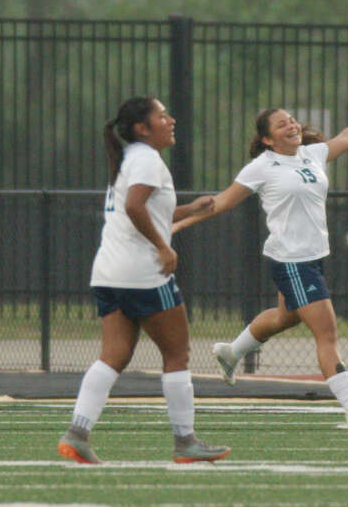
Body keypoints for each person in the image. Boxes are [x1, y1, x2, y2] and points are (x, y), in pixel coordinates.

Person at [180, 88, 348, 429]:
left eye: (292, 120)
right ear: (268, 139)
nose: (292, 126)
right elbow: (221, 203)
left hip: (312, 256)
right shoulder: (262, 167)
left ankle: (231, 351)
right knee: (326, 332)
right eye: (282, 125)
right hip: (291, 260)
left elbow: (346, 137)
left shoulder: (312, 154)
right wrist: (178, 223)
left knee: (286, 317)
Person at [57, 97, 228, 465]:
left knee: (113, 356)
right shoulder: (147, 159)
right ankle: (186, 442)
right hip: (143, 274)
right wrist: (163, 248)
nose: (171, 119)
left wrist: (190, 209)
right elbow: (135, 208)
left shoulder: (130, 159)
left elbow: (141, 210)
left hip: (109, 272)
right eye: (162, 115)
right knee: (178, 354)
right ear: (142, 128)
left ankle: (77, 433)